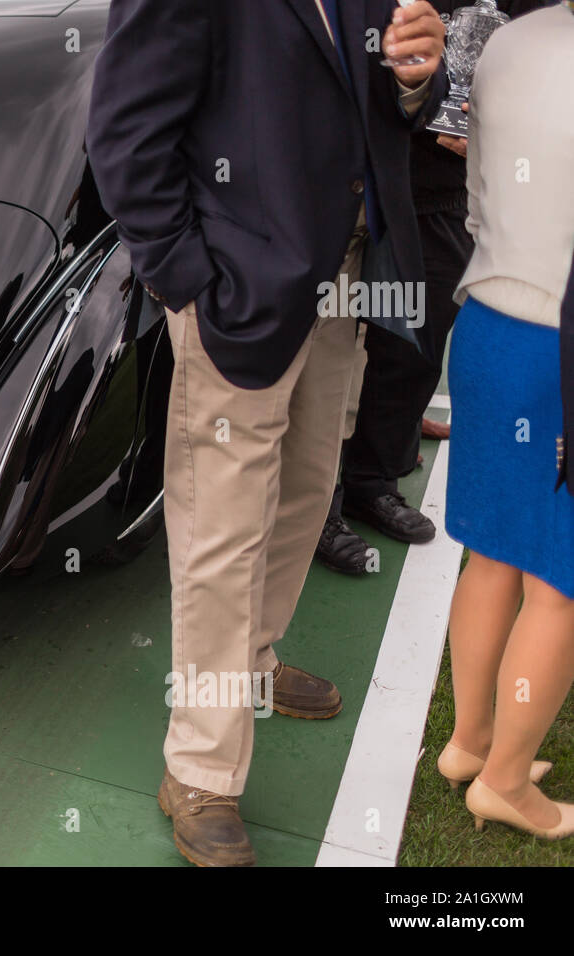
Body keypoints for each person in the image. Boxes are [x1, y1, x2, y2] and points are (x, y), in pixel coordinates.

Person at [87, 0, 446, 866]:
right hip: (237, 293)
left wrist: (411, 83)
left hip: (348, 279)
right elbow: (124, 133)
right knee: (223, 525)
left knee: (305, 489)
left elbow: (375, 102)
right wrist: (186, 282)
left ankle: (250, 663)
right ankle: (202, 770)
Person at [317, 0, 561, 575]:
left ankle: (372, 478)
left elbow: (538, 50)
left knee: (415, 346)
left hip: (443, 185)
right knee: (331, 358)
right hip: (358, 178)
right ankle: (317, 503)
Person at [439, 0, 574, 839]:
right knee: (560, 582)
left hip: (488, 320)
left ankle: (471, 741)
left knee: (491, 553)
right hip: (559, 339)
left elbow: (478, 194)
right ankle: (504, 782)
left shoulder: (511, 39)